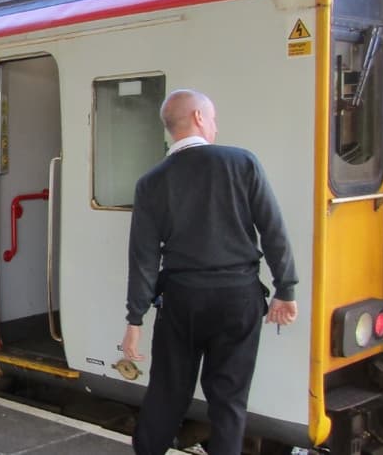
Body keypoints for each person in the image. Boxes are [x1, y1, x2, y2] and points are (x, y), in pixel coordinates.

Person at [121, 89, 298, 455]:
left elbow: (143, 257)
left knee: (168, 392)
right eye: (213, 118)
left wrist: (134, 320)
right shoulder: (242, 162)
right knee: (229, 399)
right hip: (239, 297)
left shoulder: (151, 182)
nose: (216, 126)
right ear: (200, 118)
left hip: (182, 300)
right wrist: (285, 289)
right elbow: (273, 230)